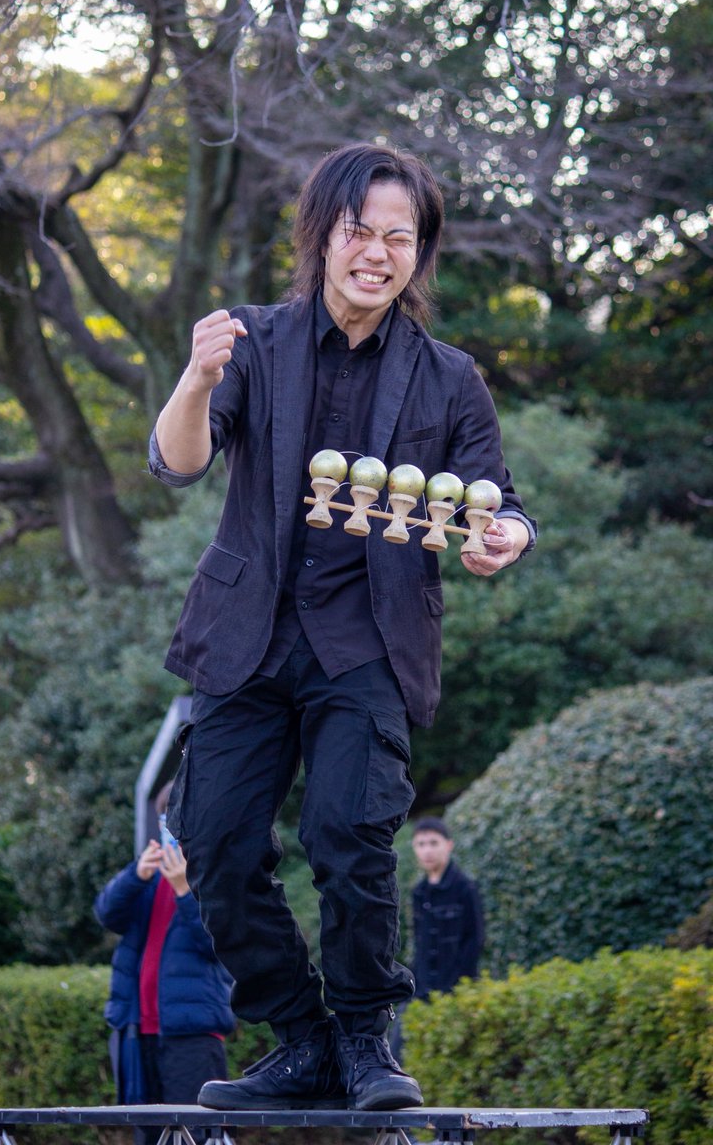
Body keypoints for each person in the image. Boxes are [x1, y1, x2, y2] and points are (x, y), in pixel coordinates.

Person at [148, 142, 536, 1112]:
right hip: (244, 637)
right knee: (218, 841)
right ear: (320, 234)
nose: (376, 250)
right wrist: (195, 380)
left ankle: (366, 1039)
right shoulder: (253, 341)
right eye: (358, 230)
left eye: (397, 236)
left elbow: (508, 505)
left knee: (349, 835)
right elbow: (177, 460)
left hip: (367, 643)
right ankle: (299, 1039)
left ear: (417, 254)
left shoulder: (449, 379)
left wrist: (503, 539)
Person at [94, 784, 234, 1134]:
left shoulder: (218, 874)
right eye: (165, 818)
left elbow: (220, 944)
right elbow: (107, 914)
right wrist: (135, 876)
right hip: (137, 1032)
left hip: (193, 1035)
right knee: (148, 1132)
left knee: (197, 1133)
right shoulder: (147, 873)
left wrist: (185, 891)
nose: (172, 828)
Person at [390, 818, 484, 1064]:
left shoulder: (465, 888)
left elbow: (474, 941)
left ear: (448, 845)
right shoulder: (419, 891)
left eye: (434, 843)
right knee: (396, 1049)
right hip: (421, 986)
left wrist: (459, 984)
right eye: (421, 844)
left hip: (455, 987)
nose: (427, 850)